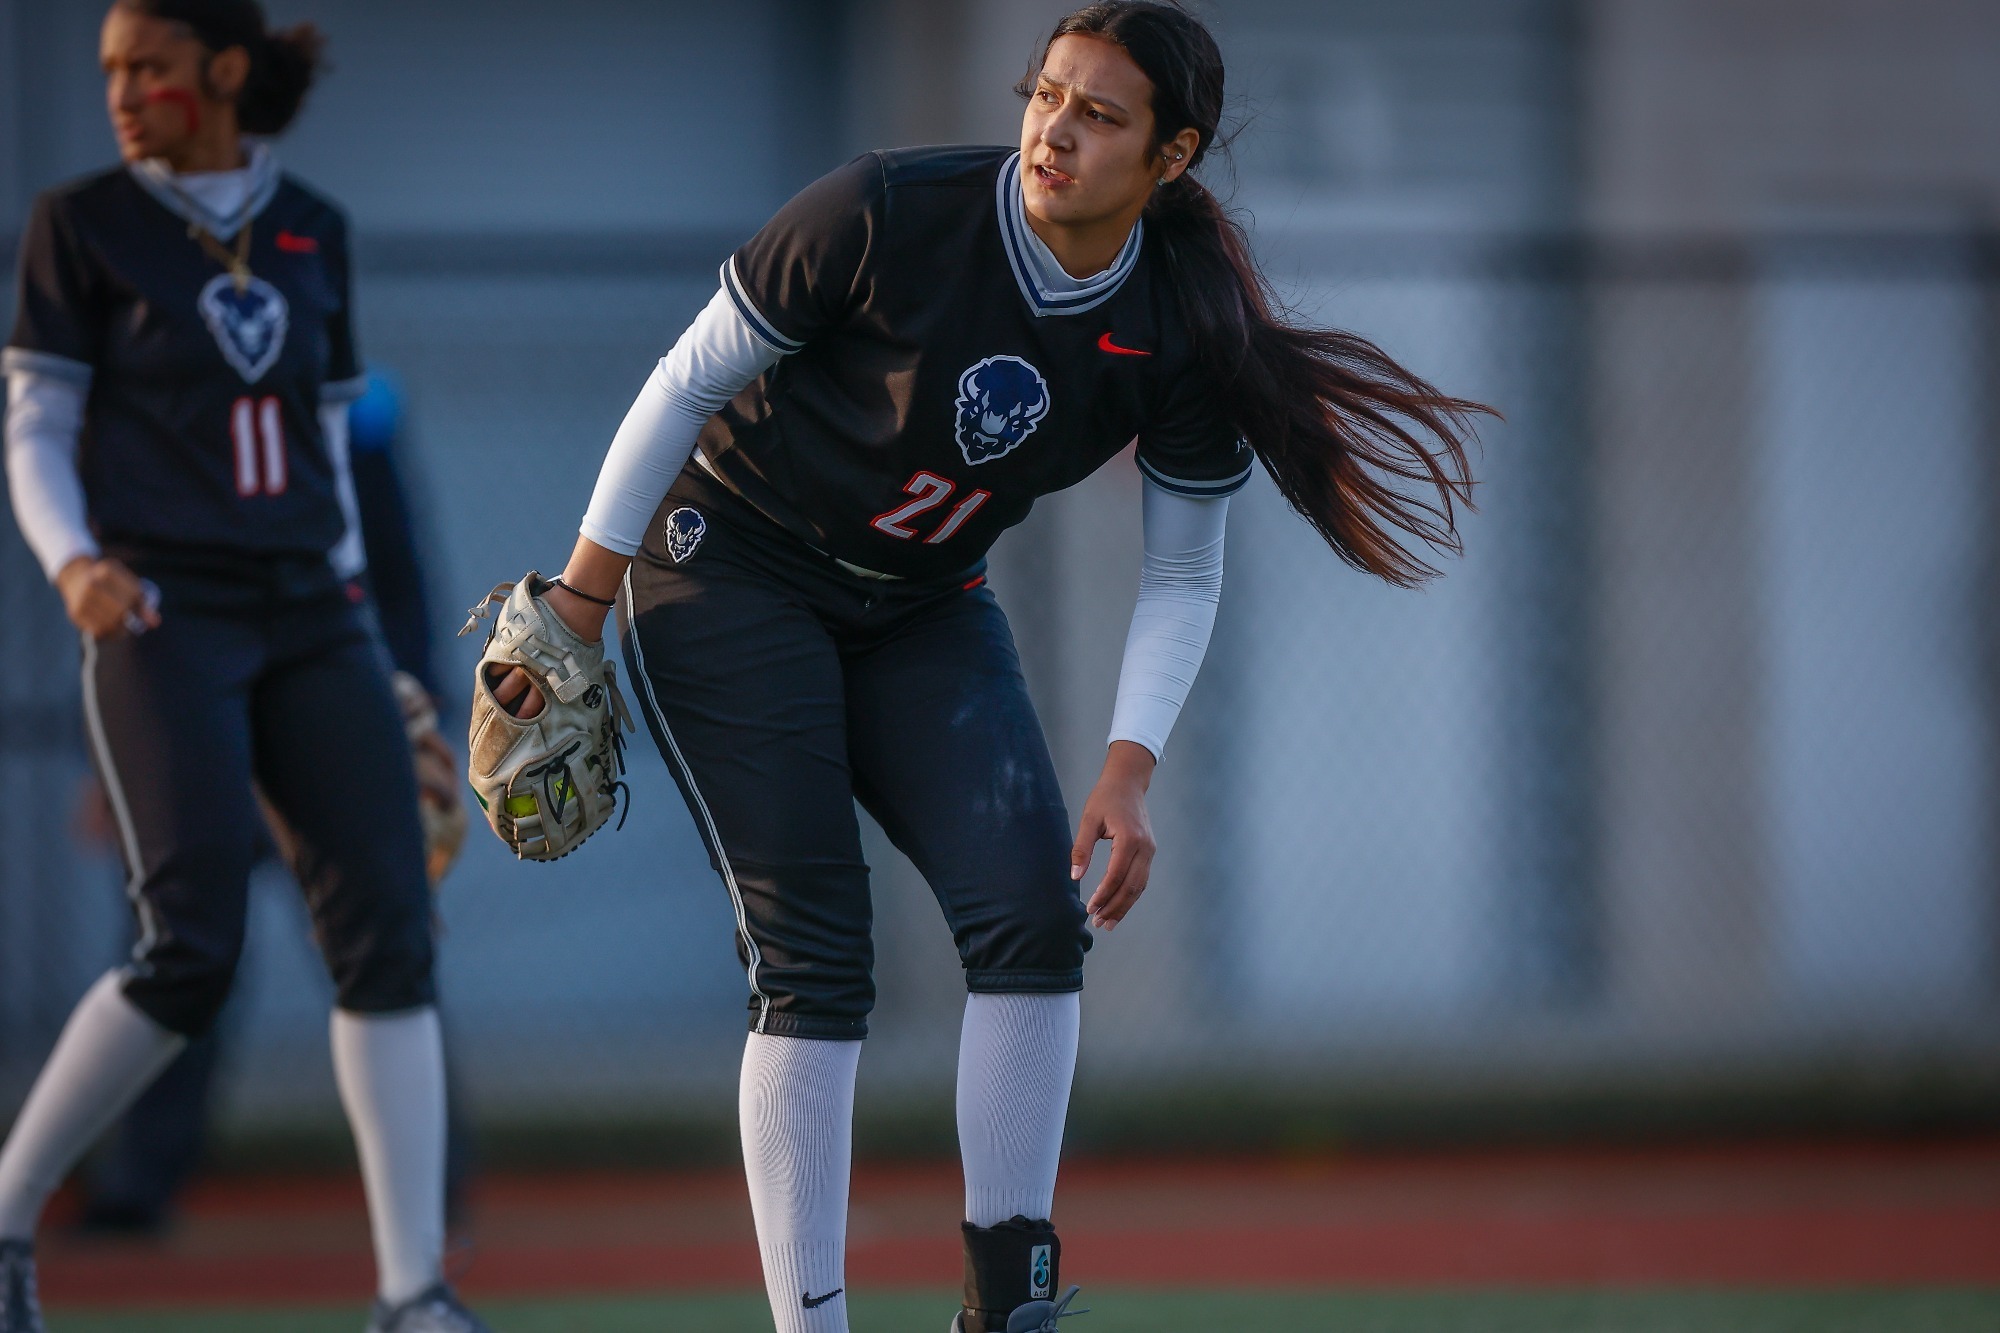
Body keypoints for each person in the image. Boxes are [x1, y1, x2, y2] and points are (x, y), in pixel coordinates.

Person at [484, 3, 1485, 1330]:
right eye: (1047, 94)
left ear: (1170, 156)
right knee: (816, 952)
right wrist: (577, 603)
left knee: (1032, 917)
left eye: (1100, 114)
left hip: (919, 603)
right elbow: (682, 383)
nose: (1054, 130)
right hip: (731, 567)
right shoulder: (884, 214)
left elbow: (1184, 571)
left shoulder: (1177, 324)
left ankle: (1004, 1304)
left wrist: (1129, 771)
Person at [0, 4, 486, 1331]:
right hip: (163, 608)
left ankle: (411, 1292)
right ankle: (6, 1212)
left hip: (312, 610)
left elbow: (328, 447)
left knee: (387, 932)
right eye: (108, 69)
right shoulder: (80, 222)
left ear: (221, 72)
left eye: (145, 67)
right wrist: (71, 563)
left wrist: (376, 655)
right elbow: (35, 426)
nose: (120, 90)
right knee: (188, 944)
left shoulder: (311, 224)